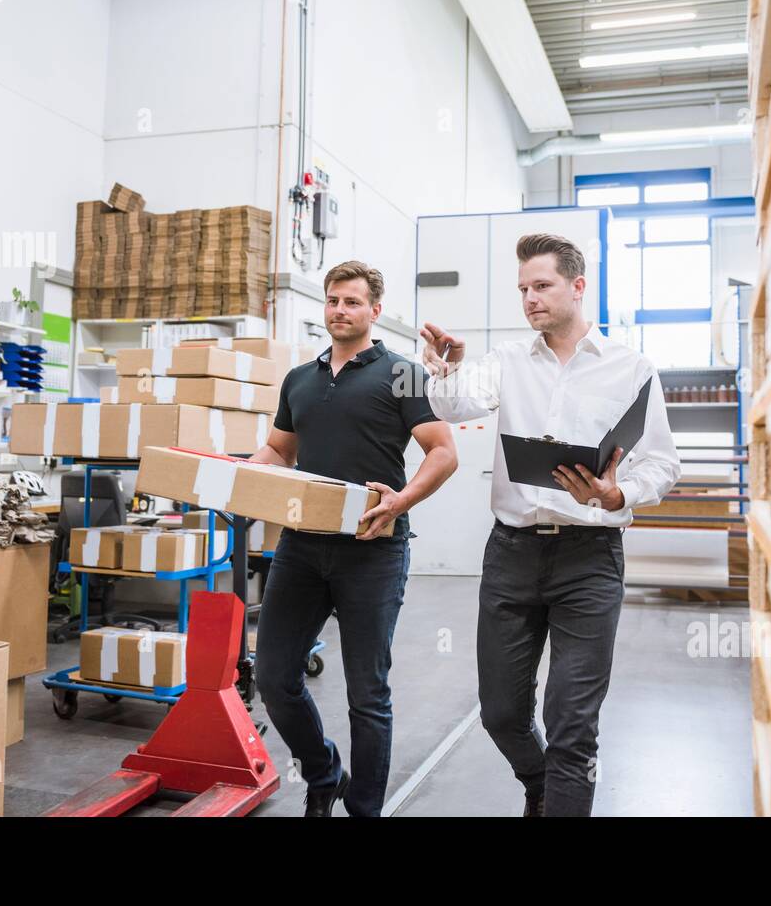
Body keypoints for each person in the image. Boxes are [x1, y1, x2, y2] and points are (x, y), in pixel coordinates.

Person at [421, 232, 680, 817]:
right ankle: (539, 783)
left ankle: (560, 798)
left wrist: (619, 494)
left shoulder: (631, 368)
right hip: (511, 553)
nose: (530, 299)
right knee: (502, 713)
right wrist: (442, 370)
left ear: (577, 286)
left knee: (572, 723)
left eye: (542, 286)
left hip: (590, 559)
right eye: (522, 289)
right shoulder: (508, 361)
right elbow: (453, 406)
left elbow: (662, 461)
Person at [249, 260, 457, 817]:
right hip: (301, 544)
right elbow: (279, 450)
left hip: (374, 549)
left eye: (353, 302)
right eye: (333, 301)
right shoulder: (300, 378)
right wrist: (244, 475)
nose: (340, 311)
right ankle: (323, 773)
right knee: (272, 675)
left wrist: (401, 500)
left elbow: (443, 451)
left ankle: (364, 809)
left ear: (375, 310)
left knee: (368, 694)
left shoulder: (402, 372)